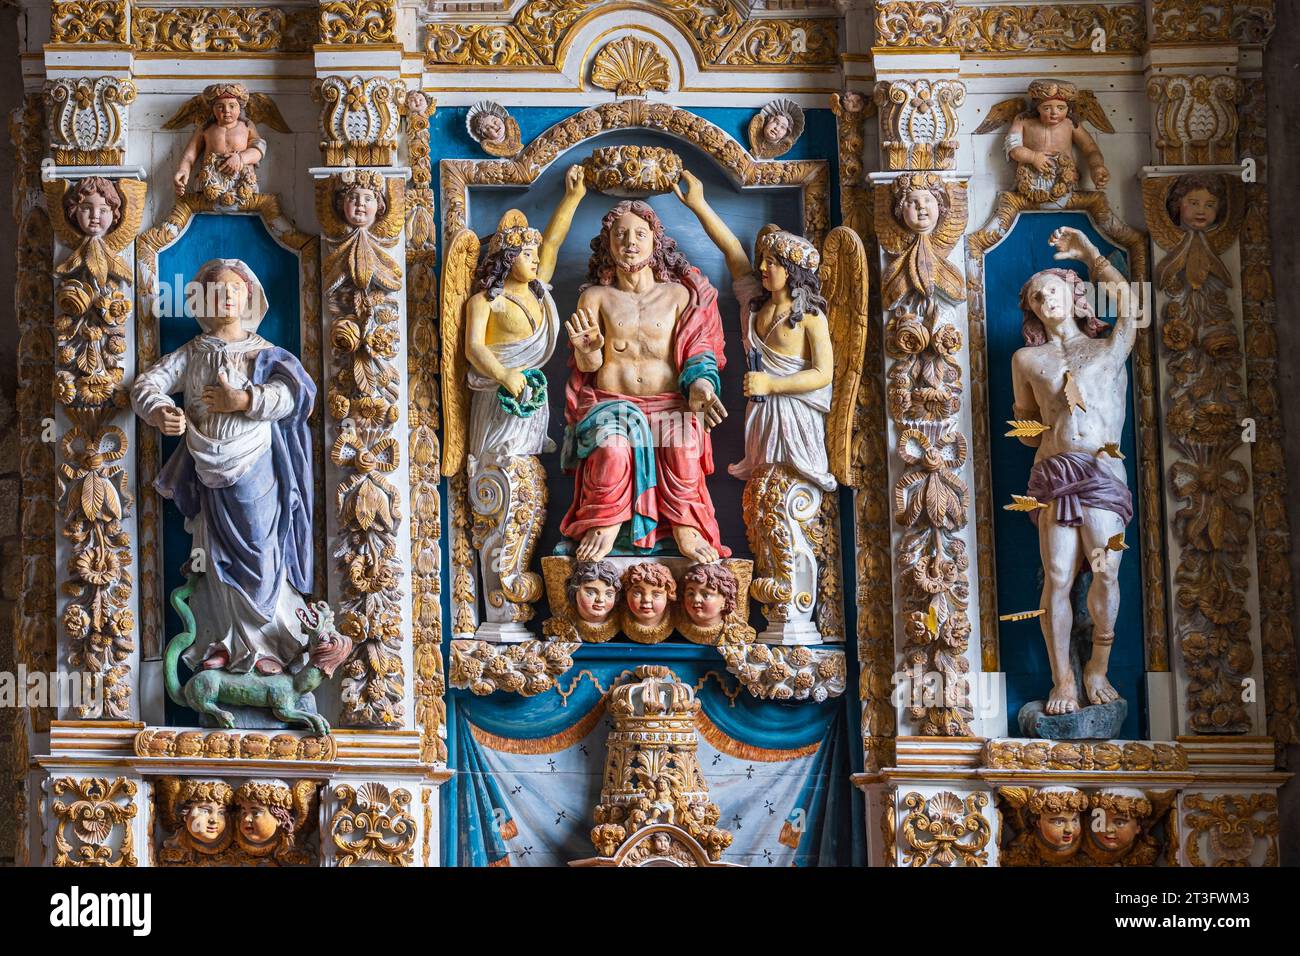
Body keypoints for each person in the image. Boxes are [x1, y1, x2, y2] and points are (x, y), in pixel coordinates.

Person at [132, 258, 315, 676]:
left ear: (248, 296)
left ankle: (271, 646)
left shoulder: (263, 353)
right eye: (215, 292)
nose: (225, 297)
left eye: (233, 290)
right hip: (206, 466)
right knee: (213, 556)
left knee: (262, 552)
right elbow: (146, 385)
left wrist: (245, 401)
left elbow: (295, 397)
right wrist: (161, 411)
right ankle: (226, 644)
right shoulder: (193, 353)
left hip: (256, 467)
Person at [559, 193, 729, 563]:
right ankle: (605, 521)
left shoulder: (679, 296)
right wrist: (588, 349)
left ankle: (685, 525)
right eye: (620, 235)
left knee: (683, 444)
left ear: (656, 241)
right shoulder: (596, 297)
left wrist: (701, 386)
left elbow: (698, 349)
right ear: (608, 245)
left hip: (670, 402)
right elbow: (587, 368)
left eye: (639, 234)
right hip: (610, 405)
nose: (629, 242)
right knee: (612, 449)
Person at [1010, 226, 1136, 715]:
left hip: (1102, 472)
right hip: (1055, 472)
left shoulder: (1107, 349)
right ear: (1033, 309)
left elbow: (1130, 310)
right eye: (1037, 296)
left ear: (1074, 295)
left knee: (1105, 572)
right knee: (1058, 574)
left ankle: (1097, 667)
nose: (1045, 298)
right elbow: (1026, 426)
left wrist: (1090, 253)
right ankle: (1063, 678)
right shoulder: (1028, 359)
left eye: (1053, 290)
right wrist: (1041, 423)